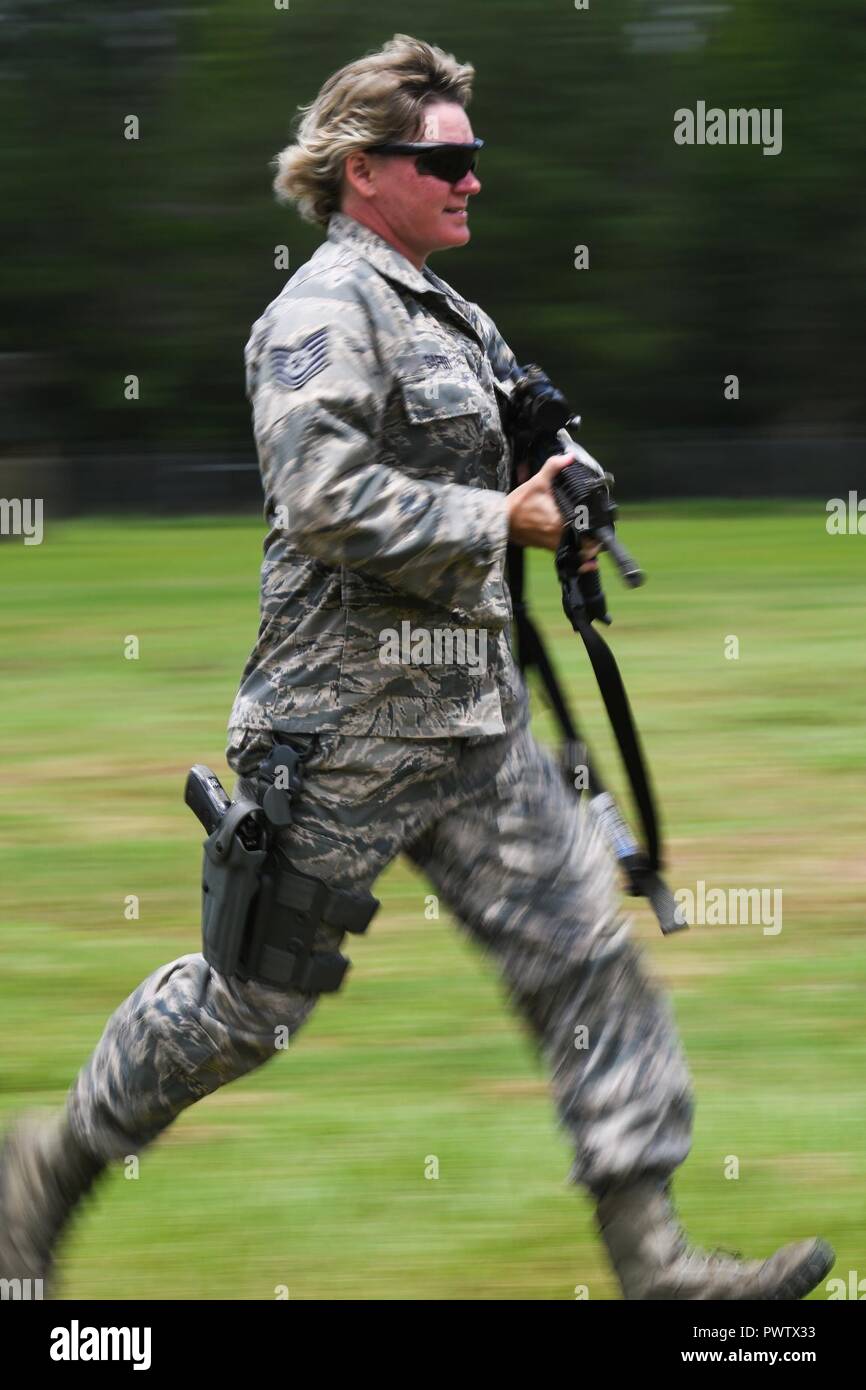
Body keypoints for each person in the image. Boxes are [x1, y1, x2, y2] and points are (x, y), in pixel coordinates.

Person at [0, 33, 834, 1301]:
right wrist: (500, 523)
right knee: (246, 1010)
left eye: (473, 155)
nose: (472, 180)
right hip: (338, 736)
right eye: (446, 157)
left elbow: (498, 442)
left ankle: (654, 1263)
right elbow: (323, 498)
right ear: (360, 169)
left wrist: (559, 479)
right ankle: (41, 1177)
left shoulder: (445, 309)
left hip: (474, 725)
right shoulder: (319, 314)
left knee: (584, 960)